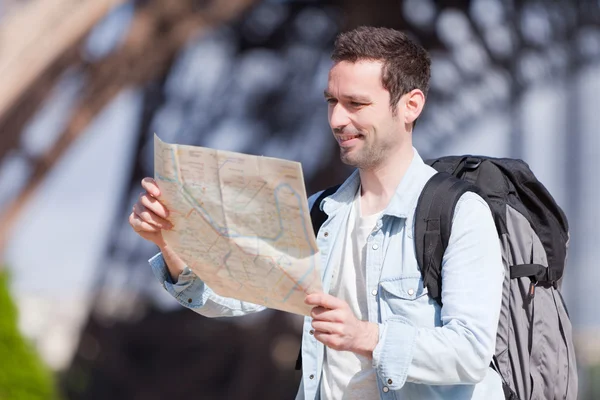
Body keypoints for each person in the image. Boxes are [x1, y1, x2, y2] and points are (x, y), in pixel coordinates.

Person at [129, 26, 505, 399]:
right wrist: (170, 242)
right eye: (331, 101)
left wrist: (366, 336)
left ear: (411, 105)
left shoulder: (460, 213)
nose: (337, 120)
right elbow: (234, 296)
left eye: (356, 104)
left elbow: (471, 353)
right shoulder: (319, 213)